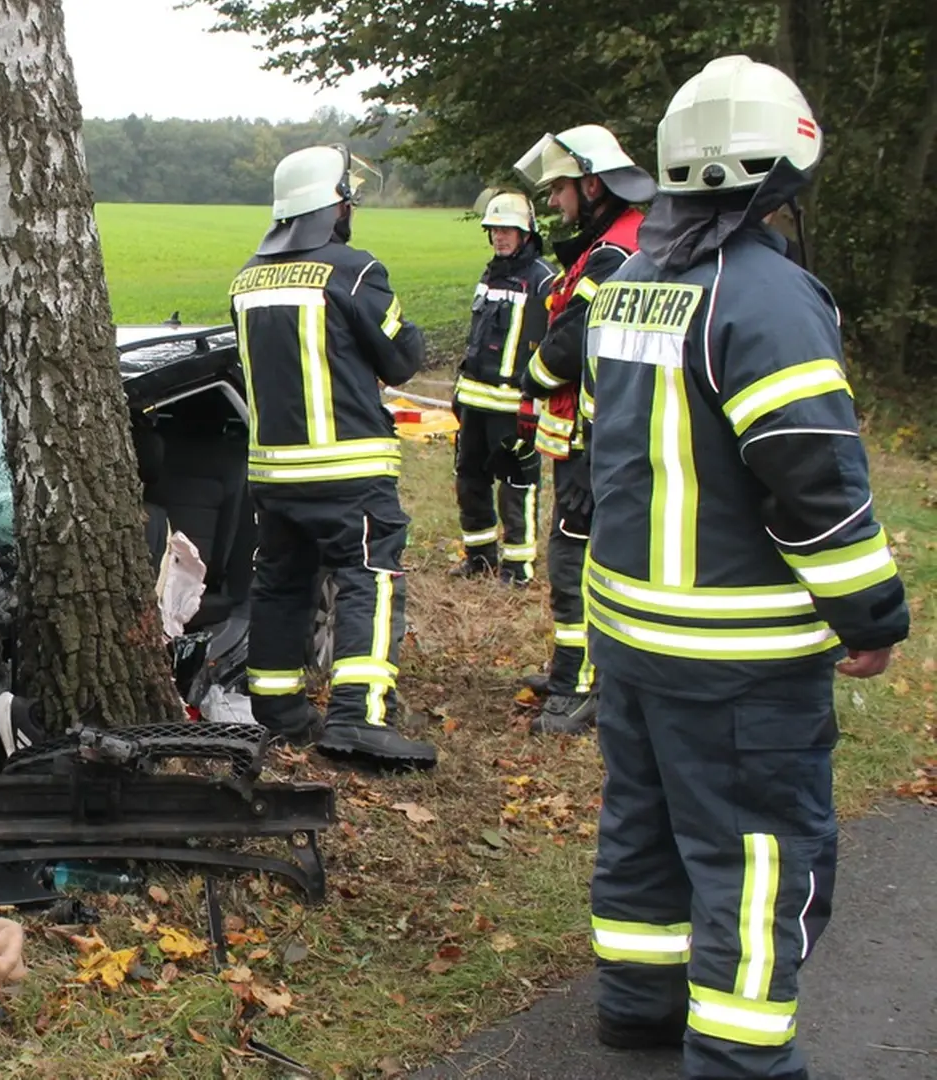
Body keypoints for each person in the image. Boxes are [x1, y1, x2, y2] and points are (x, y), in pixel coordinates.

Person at [580, 55, 909, 1079]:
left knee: (644, 820)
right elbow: (814, 479)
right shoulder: (768, 299)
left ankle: (639, 1005)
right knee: (757, 855)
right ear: (785, 172)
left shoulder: (629, 282)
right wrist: (870, 614)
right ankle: (742, 1056)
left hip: (629, 629)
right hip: (736, 649)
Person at [228, 144, 437, 769]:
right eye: (347, 199)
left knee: (280, 582)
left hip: (273, 474)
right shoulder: (355, 272)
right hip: (349, 471)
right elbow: (403, 357)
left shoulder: (245, 281)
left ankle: (277, 710)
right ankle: (360, 718)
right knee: (367, 578)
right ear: (333, 206)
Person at [512, 123, 656, 734]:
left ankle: (582, 684)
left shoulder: (614, 253)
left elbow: (570, 342)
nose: (553, 203)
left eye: (560, 190)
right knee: (573, 551)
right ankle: (572, 665)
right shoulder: (620, 241)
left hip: (598, 438)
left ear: (592, 183)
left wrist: (532, 376)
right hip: (591, 436)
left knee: (578, 558)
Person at [449, 191, 556, 586]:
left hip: (516, 405)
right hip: (475, 400)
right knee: (469, 479)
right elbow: (476, 338)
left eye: (508, 230)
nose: (500, 237)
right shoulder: (489, 274)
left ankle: (518, 567)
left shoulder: (544, 280)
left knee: (517, 484)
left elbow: (553, 342)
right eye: (494, 230)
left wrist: (536, 399)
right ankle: (478, 557)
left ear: (526, 232)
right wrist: (459, 392)